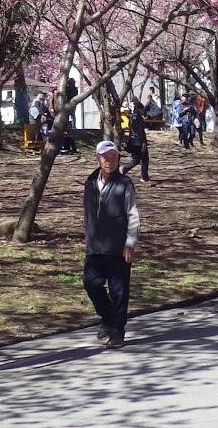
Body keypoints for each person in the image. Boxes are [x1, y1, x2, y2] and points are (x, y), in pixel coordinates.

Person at [82, 140, 139, 348]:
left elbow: (133, 214)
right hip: (95, 247)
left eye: (114, 157)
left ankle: (117, 333)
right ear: (98, 159)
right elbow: (87, 214)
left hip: (118, 247)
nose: (110, 161)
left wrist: (130, 243)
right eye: (106, 157)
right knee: (90, 283)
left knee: (119, 291)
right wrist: (87, 236)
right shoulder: (90, 182)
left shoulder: (124, 183)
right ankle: (107, 319)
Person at [120, 99, 151, 184]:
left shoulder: (131, 118)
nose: (143, 111)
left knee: (136, 159)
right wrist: (144, 143)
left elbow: (131, 131)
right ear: (140, 109)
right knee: (144, 160)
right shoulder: (139, 119)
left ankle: (125, 168)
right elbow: (141, 132)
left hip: (132, 142)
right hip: (139, 142)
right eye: (142, 109)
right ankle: (144, 177)